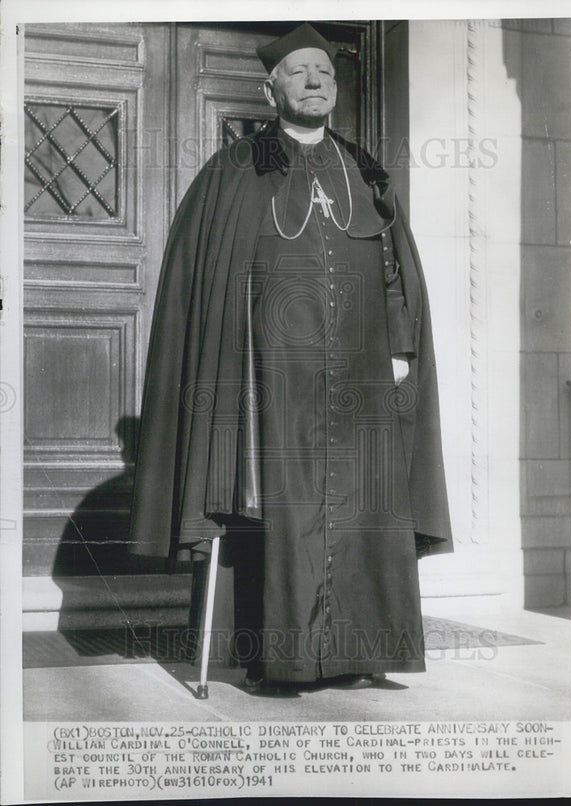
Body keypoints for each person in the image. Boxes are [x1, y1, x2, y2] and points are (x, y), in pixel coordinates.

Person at [129, 23, 453, 693]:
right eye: (300, 72)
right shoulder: (234, 169)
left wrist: (399, 349)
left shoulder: (362, 166)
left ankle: (360, 655)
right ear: (269, 86)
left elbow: (395, 268)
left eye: (325, 73)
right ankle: (290, 659)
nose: (314, 81)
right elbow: (206, 278)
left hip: (363, 376)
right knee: (293, 509)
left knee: (367, 506)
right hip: (272, 377)